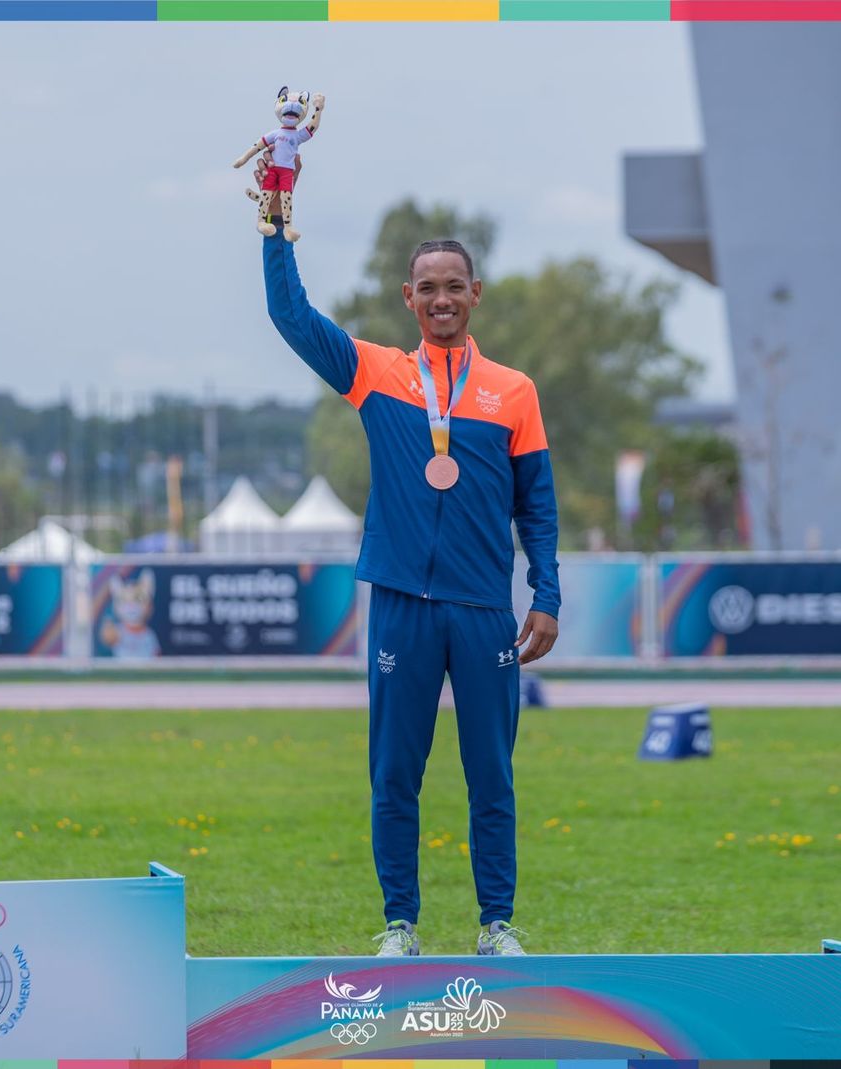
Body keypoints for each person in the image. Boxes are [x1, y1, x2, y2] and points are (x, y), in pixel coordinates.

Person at [257, 155, 560, 957]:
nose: (440, 299)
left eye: (452, 285)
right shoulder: (375, 374)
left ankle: (496, 924)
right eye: (425, 287)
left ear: (474, 294)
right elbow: (292, 317)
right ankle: (400, 924)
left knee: (490, 777)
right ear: (408, 299)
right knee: (395, 775)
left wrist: (548, 594)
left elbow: (537, 505)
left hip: (482, 607)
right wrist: (276, 217)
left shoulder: (514, 391)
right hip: (398, 600)